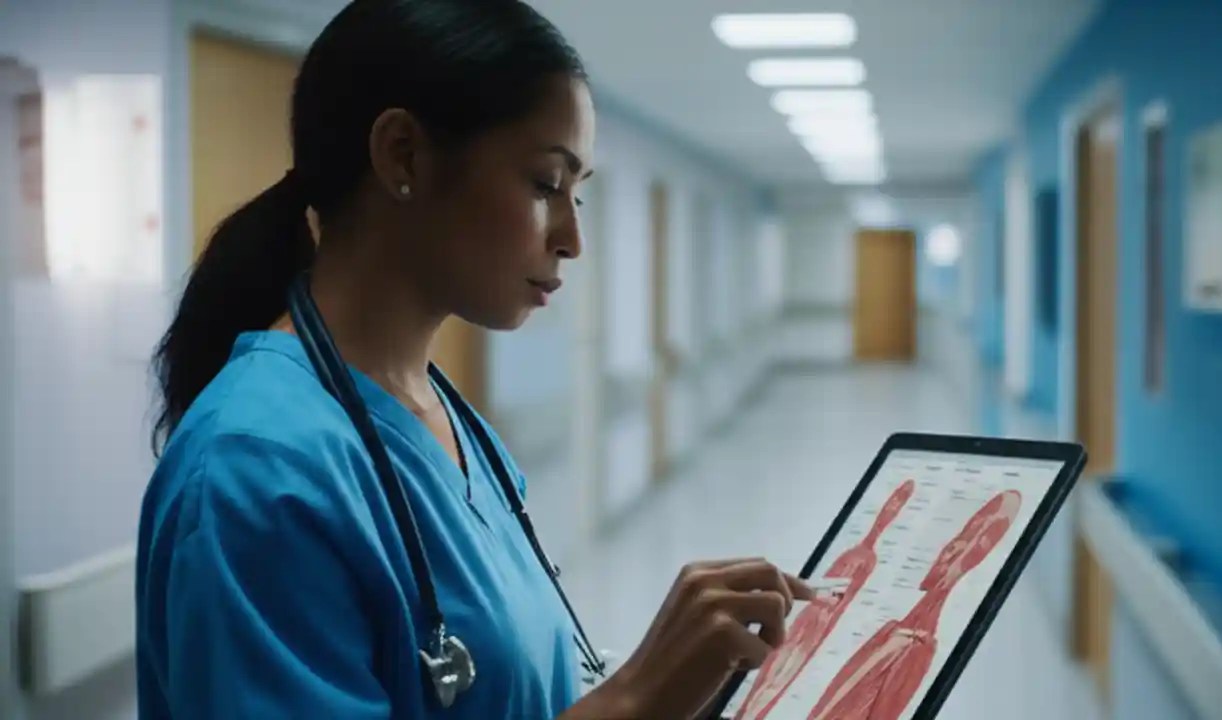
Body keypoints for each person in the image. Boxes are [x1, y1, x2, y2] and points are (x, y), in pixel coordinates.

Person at [135, 0, 812, 718]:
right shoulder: (258, 469)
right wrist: (640, 697)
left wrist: (690, 688)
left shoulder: (452, 425)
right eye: (547, 184)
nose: (572, 240)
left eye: (579, 195)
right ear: (403, 155)